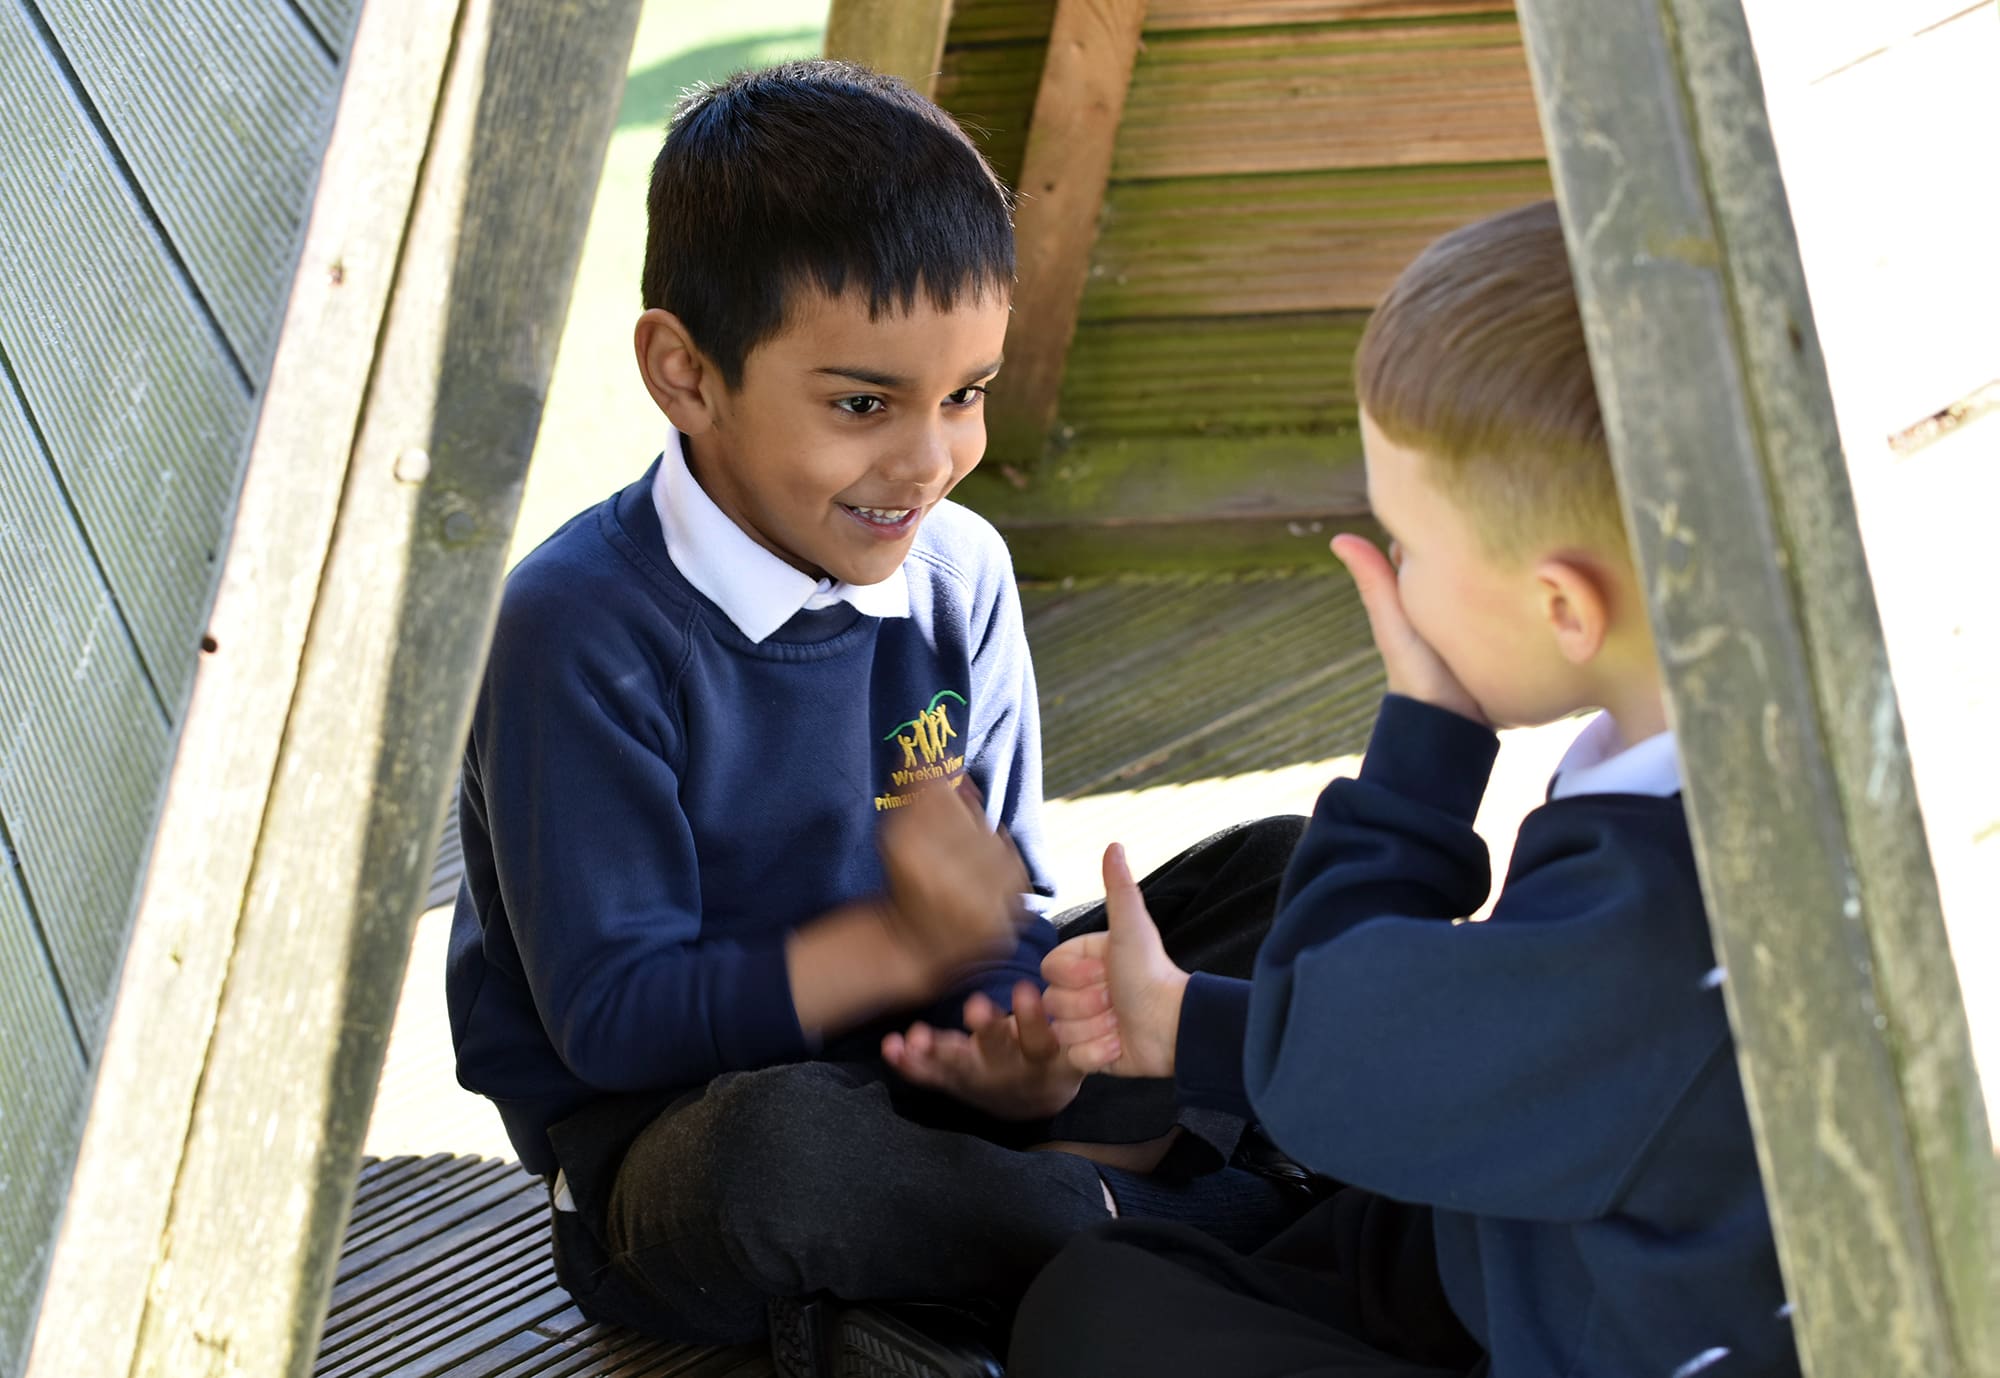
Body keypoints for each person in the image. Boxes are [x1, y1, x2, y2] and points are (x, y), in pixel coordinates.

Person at [444, 60, 1303, 1378]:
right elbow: (612, 1019)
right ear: (685, 372)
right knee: (780, 1156)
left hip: (938, 1092)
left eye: (966, 394)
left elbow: (995, 919)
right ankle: (1214, 1227)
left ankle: (1031, 1239)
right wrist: (895, 944)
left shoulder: (959, 572)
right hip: (682, 1150)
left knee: (1289, 869)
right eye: (862, 405)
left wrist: (1010, 1039)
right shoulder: (577, 625)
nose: (928, 461)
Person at [1015, 200, 1802, 1378]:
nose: (1391, 576)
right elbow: (1479, 1039)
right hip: (1586, 1248)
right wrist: (1186, 1024)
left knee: (1093, 1310)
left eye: (1410, 547)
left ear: (1562, 609)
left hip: (1592, 1328)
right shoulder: (1764, 782)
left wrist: (1425, 742)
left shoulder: (1653, 916)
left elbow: (1346, 1032)